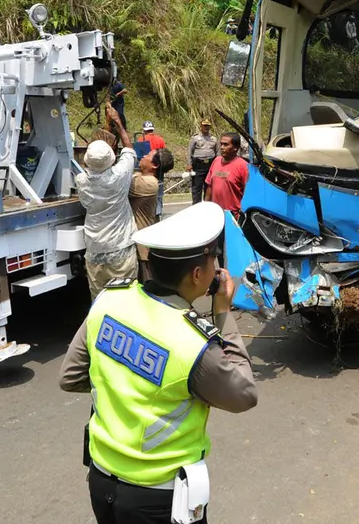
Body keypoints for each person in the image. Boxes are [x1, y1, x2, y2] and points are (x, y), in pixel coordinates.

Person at [58, 201, 257, 524]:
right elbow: (244, 394)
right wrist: (223, 313)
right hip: (159, 500)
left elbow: (70, 377)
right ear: (197, 275)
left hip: (101, 480)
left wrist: (123, 387)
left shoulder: (109, 301)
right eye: (213, 263)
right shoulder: (192, 344)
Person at [77, 104, 139, 298]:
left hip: (95, 251)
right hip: (120, 249)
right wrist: (118, 124)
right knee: (125, 301)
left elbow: (90, 167)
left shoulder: (81, 181)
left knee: (99, 302)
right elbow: (129, 149)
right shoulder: (119, 176)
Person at [204, 133, 249, 215]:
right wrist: (205, 206)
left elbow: (248, 193)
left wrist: (242, 214)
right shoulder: (216, 161)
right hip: (216, 214)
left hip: (233, 216)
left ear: (236, 148)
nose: (222, 147)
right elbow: (210, 185)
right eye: (221, 144)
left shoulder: (243, 166)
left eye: (226, 145)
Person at [188, 119, 220, 204]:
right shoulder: (195, 138)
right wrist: (189, 164)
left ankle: (207, 205)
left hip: (210, 165)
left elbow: (218, 153)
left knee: (209, 186)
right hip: (198, 165)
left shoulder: (214, 139)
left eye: (208, 126)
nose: (206, 127)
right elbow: (189, 152)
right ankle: (196, 206)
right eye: (204, 126)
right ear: (201, 126)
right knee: (197, 187)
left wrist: (217, 165)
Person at [130, 150, 162, 232]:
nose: (144, 156)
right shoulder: (140, 175)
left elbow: (119, 182)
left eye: (148, 155)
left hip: (139, 240)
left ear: (155, 165)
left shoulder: (149, 183)